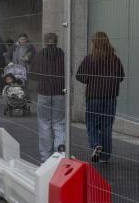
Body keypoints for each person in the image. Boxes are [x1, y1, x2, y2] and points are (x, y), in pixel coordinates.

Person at [75, 31, 124, 164]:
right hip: (110, 97)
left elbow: (79, 76)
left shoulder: (89, 59)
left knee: (92, 124)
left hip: (94, 96)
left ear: (94, 43)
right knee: (106, 126)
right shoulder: (115, 59)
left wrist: (90, 79)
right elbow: (121, 76)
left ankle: (96, 144)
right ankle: (105, 156)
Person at [30, 32, 66, 161]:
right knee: (59, 122)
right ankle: (60, 151)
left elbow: (33, 75)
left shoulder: (40, 55)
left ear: (45, 42)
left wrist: (43, 77)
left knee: (44, 123)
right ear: (57, 41)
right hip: (60, 92)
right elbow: (70, 71)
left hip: (44, 92)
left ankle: (46, 156)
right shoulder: (62, 55)